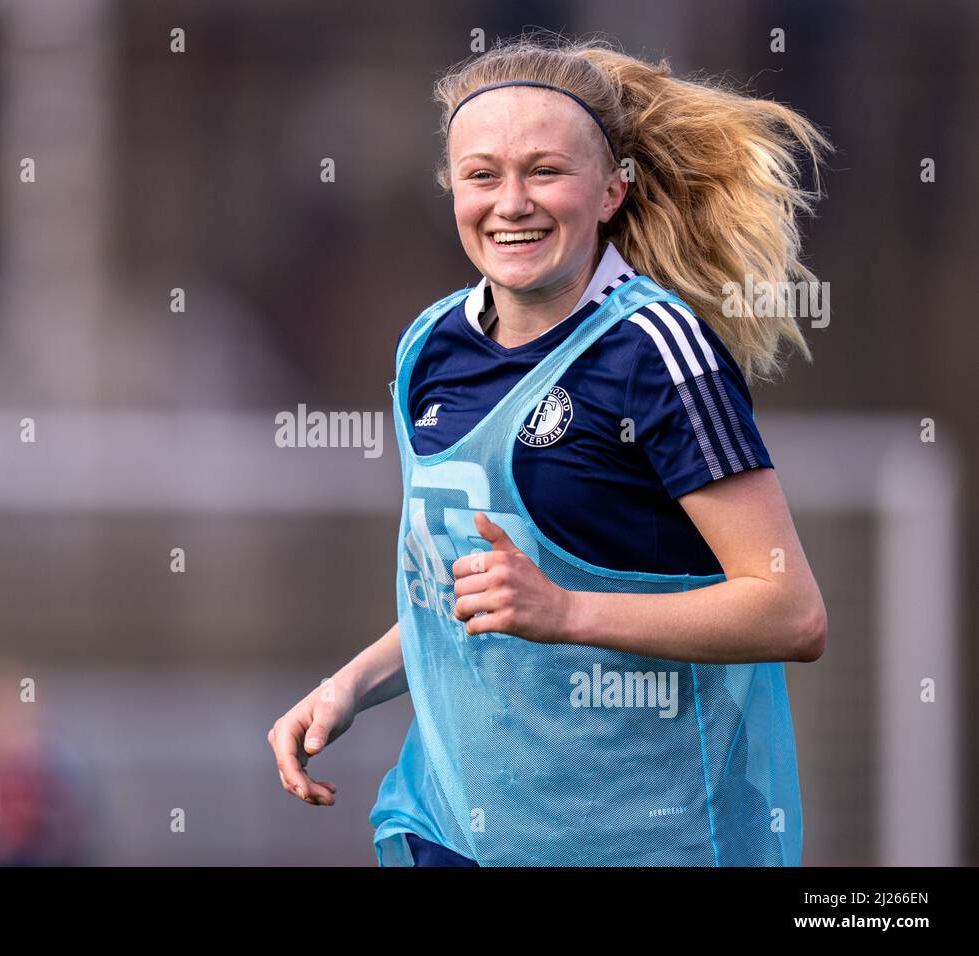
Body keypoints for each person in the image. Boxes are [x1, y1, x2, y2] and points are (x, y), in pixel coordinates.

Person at [267, 32, 831, 866]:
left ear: (611, 190)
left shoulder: (658, 352)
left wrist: (568, 613)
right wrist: (348, 688)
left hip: (643, 840)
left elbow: (791, 612)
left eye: (546, 171)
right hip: (450, 828)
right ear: (452, 189)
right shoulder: (428, 346)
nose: (512, 202)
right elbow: (466, 591)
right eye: (483, 174)